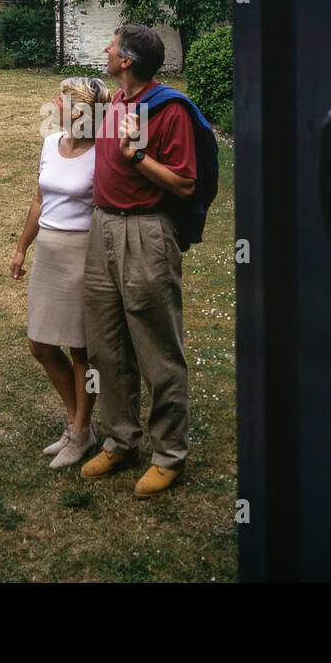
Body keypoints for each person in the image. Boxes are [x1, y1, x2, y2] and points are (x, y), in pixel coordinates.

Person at [80, 25, 197, 498]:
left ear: (126, 60)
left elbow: (184, 184)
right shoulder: (117, 103)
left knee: (156, 345)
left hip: (146, 231)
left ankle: (168, 453)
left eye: (111, 46)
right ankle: (120, 437)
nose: (105, 50)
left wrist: (138, 158)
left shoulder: (167, 111)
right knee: (106, 344)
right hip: (102, 227)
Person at [11, 76, 113, 468]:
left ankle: (80, 428)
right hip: (49, 254)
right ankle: (79, 426)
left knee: (81, 350)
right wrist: (22, 248)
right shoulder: (51, 143)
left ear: (80, 111)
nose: (54, 102)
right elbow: (40, 200)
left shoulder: (102, 152)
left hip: (83, 256)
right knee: (39, 344)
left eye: (63, 98)